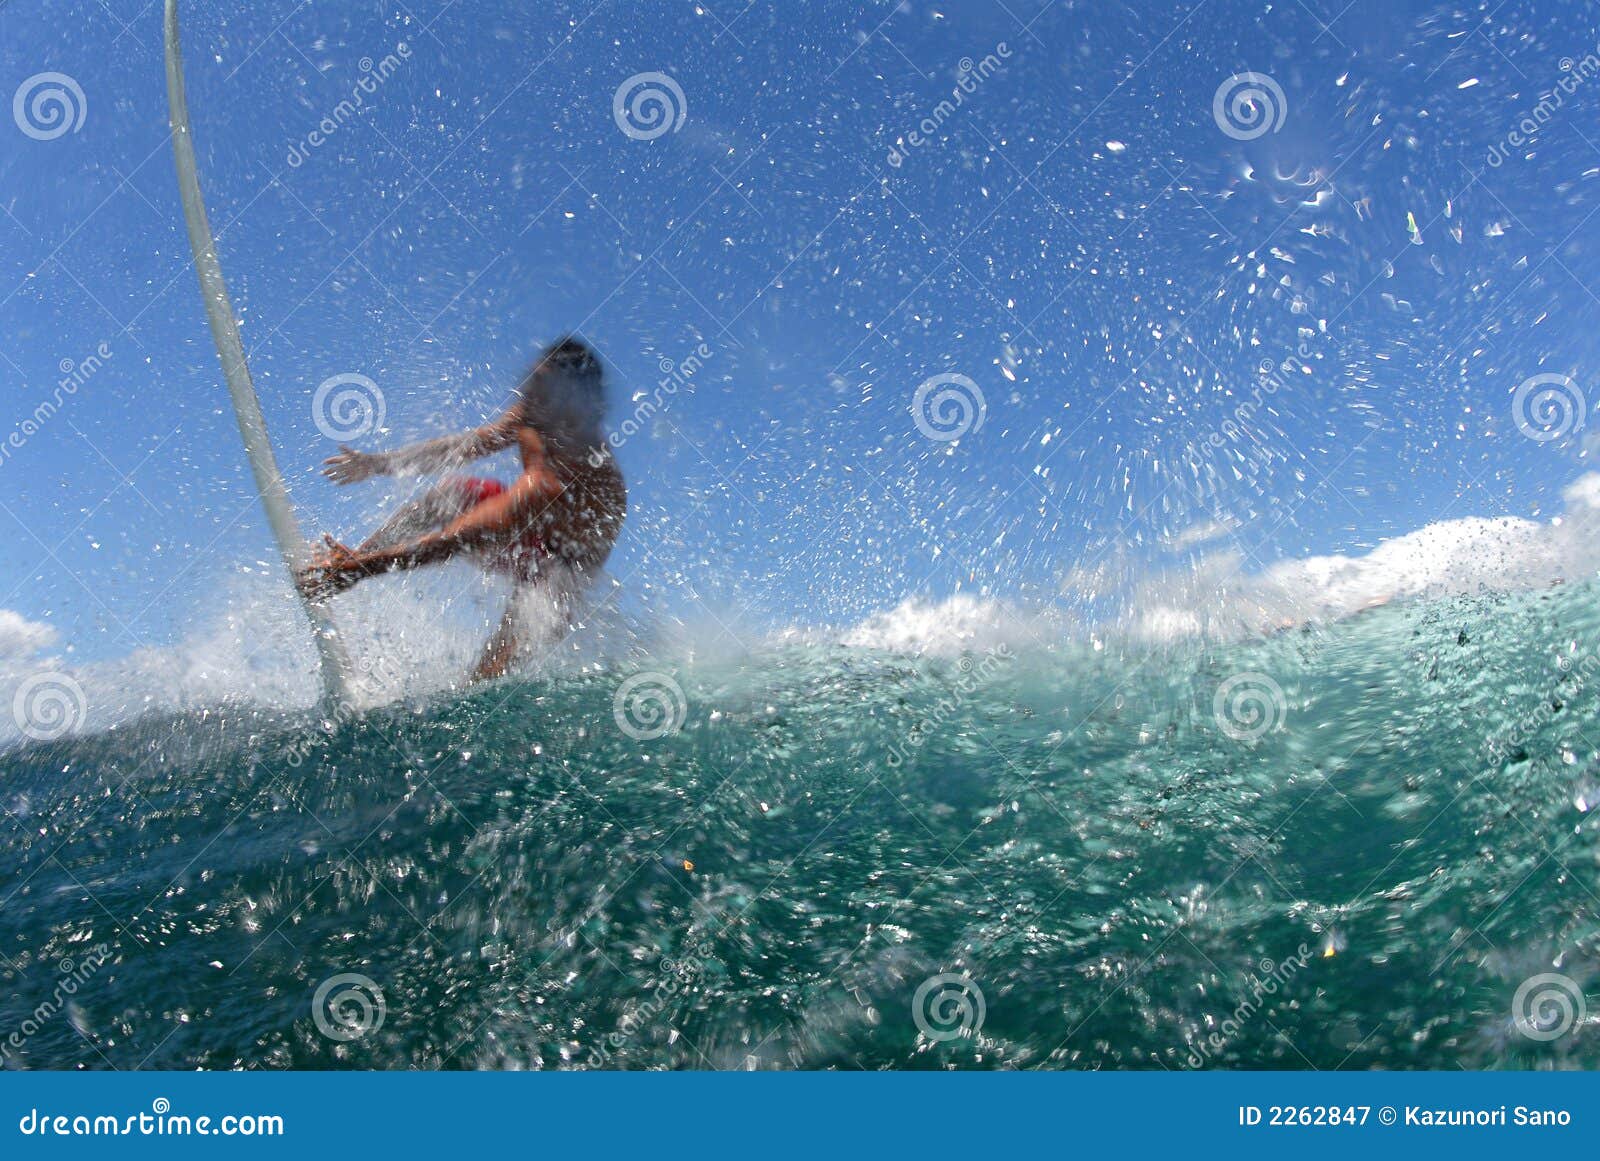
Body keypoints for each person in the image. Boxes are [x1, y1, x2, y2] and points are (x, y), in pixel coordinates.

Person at [296, 337, 626, 681]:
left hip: (565, 568)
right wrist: (379, 464)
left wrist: (362, 571)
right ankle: (352, 555)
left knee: (510, 647)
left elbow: (462, 537)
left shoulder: (568, 473)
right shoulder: (537, 413)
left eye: (538, 386)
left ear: (572, 401)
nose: (525, 393)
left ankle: (483, 688)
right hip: (528, 536)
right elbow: (464, 447)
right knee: (458, 492)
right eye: (530, 381)